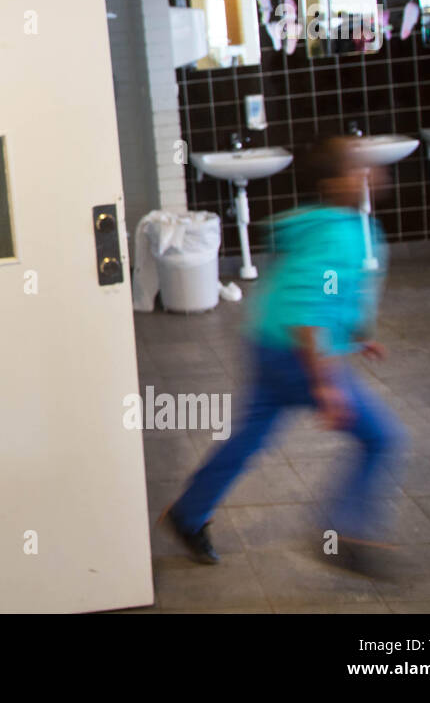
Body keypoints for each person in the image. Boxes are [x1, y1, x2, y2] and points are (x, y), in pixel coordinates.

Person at [162, 135, 407, 574]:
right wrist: (325, 384)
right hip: (296, 353)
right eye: (357, 167)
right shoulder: (339, 234)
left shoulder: (328, 225)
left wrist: (354, 337)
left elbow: (327, 295)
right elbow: (308, 311)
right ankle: (344, 529)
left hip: (267, 342)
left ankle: (189, 512)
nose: (370, 172)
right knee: (382, 437)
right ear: (334, 184)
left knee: (251, 436)